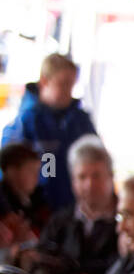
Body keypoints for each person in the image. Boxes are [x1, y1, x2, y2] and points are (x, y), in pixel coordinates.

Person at [2, 53, 97, 212]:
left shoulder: (81, 121)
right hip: (38, 211)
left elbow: (97, 158)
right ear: (44, 82)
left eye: (71, 85)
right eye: (63, 84)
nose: (68, 92)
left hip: (78, 208)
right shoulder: (26, 123)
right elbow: (8, 174)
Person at [21, 135, 118, 274]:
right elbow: (41, 262)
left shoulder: (127, 222)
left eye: (96, 176)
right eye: (82, 177)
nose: (89, 185)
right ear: (73, 181)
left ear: (111, 177)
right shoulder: (59, 220)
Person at [0, 142, 50, 239]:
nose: (36, 177)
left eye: (37, 171)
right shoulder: (4, 208)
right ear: (11, 172)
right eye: (30, 171)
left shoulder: (38, 199)